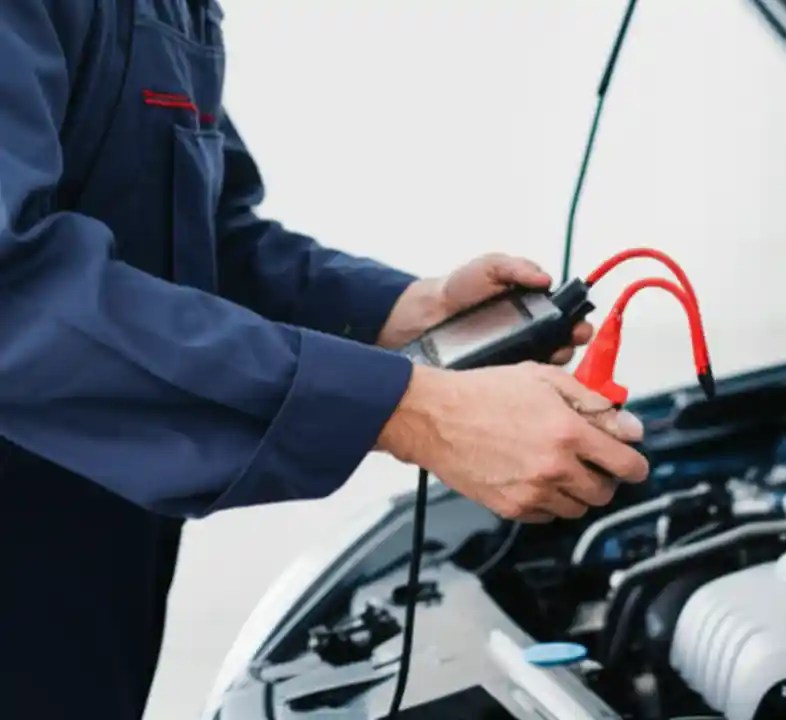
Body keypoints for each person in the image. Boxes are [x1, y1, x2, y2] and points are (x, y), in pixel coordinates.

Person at [0, 1, 650, 718]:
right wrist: (409, 409)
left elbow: (207, 239)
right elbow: (14, 298)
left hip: (93, 588)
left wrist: (397, 310)